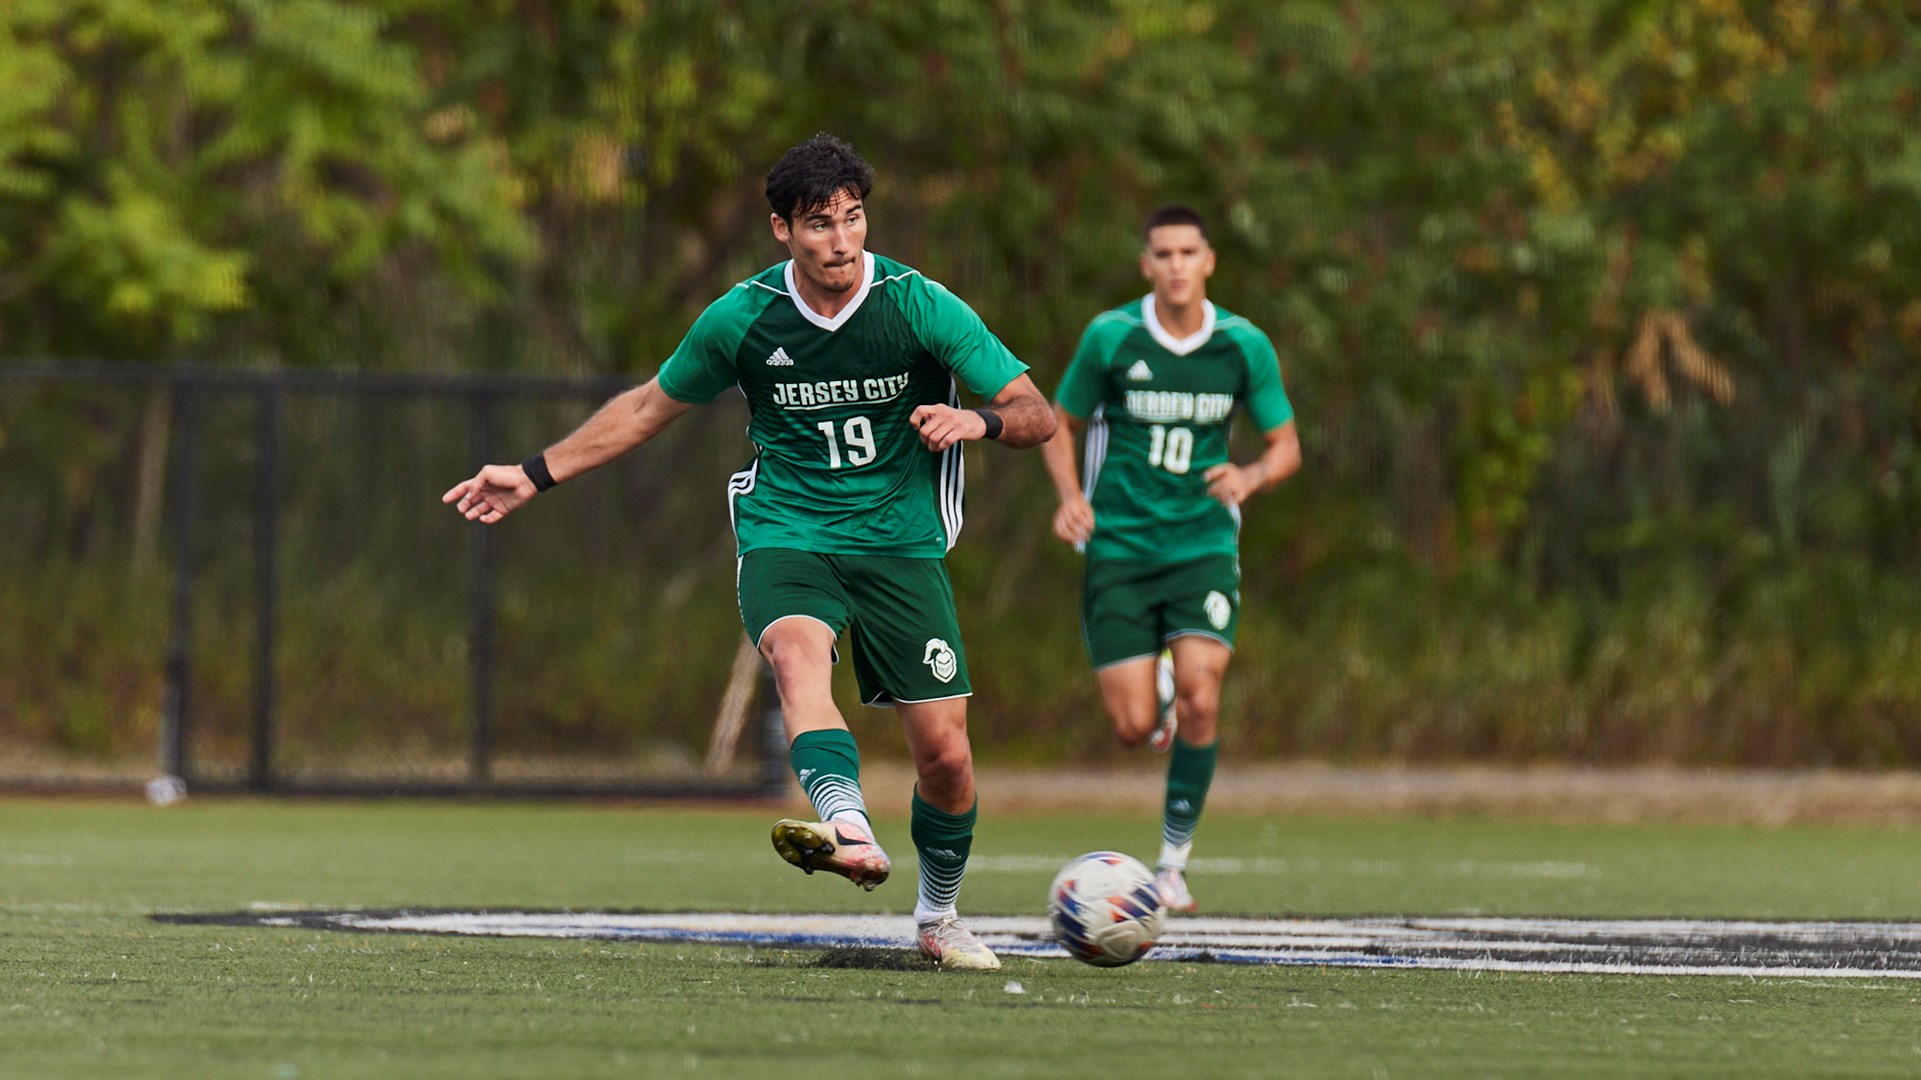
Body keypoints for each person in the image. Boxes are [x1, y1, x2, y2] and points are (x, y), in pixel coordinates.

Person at [444, 134, 1054, 970]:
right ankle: (845, 825)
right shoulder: (743, 315)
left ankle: (938, 917)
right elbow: (646, 408)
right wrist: (532, 474)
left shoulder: (920, 305)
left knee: (945, 756)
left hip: (900, 546)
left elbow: (1035, 413)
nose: (840, 241)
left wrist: (977, 421)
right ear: (781, 230)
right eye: (818, 224)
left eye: (852, 219)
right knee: (798, 660)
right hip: (787, 531)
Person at [1039, 204, 1299, 913]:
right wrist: (1069, 496)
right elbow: (1056, 424)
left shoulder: (1242, 344)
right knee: (1130, 729)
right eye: (1163, 253)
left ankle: (1173, 863)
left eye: (1189, 252)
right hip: (1119, 546)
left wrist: (1249, 476)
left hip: (1201, 545)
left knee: (1203, 694)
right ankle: (1154, 689)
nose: (1177, 265)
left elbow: (1286, 447)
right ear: (1145, 264)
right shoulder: (1111, 337)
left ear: (1208, 260)